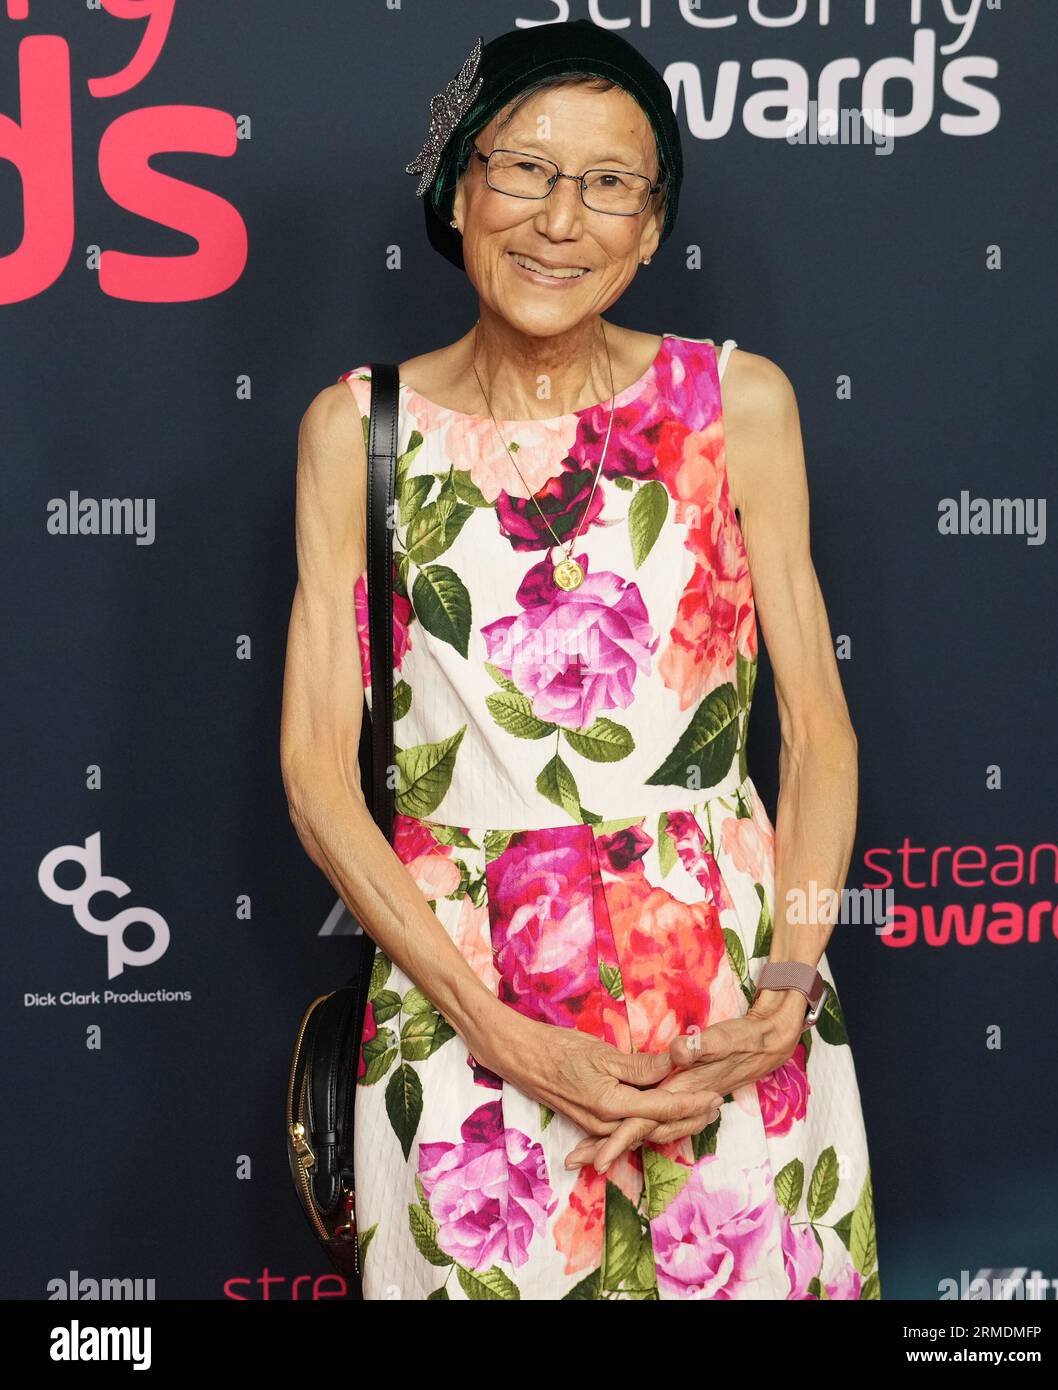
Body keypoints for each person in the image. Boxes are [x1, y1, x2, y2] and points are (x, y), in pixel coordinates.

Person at [281, 19, 879, 1301]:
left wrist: (789, 974)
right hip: (465, 1009)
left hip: (726, 1005)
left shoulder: (739, 404)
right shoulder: (356, 428)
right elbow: (318, 773)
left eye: (610, 182)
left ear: (652, 226)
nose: (561, 218)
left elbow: (816, 735)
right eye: (524, 169)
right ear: (458, 188)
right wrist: (496, 1030)